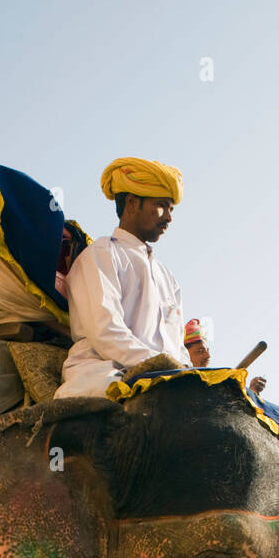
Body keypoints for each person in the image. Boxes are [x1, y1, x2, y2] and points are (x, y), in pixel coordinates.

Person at [56, 157, 189, 398]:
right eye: (161, 205)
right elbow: (105, 332)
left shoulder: (168, 279)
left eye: (171, 209)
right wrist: (161, 367)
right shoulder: (100, 255)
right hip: (103, 374)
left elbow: (178, 348)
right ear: (130, 203)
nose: (169, 217)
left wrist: (188, 374)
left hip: (165, 380)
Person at [184, 317, 267, 396]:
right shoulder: (176, 385)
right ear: (184, 354)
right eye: (200, 351)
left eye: (207, 351)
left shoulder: (214, 386)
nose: (208, 356)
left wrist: (253, 392)